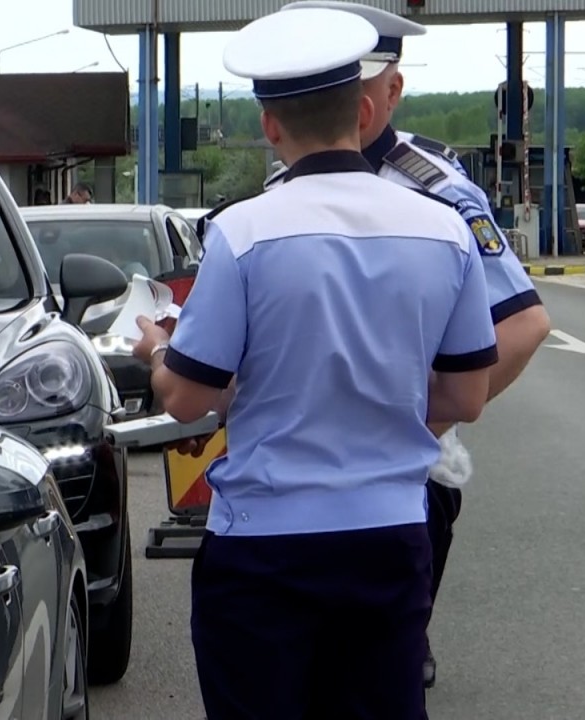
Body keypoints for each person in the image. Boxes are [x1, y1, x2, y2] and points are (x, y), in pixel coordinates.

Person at [130, 8, 497, 718]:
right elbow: (467, 394)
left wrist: (156, 352)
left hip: (266, 544)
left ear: (270, 125)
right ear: (363, 110)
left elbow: (185, 397)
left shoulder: (244, 231)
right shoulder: (443, 229)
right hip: (390, 535)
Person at [275, 0, 552, 688]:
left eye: (352, 83)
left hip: (399, 487)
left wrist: (417, 417)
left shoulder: (437, 194)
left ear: (389, 91)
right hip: (288, 483)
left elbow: (523, 324)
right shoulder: (283, 183)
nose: (332, 100)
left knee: (373, 687)